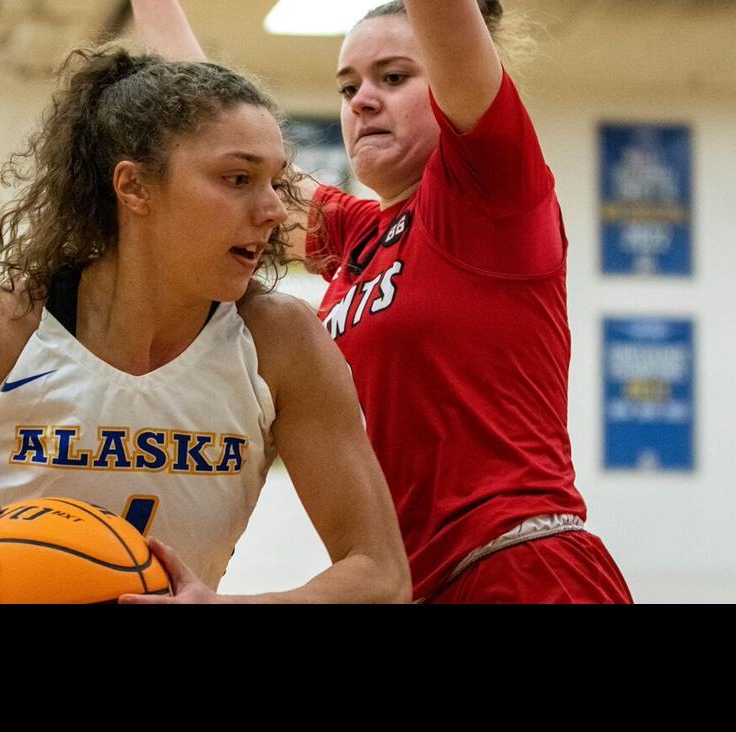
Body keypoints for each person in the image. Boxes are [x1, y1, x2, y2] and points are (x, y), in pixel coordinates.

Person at [0, 47, 410, 604]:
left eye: (274, 181)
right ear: (133, 187)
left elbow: (380, 574)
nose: (274, 209)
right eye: (238, 178)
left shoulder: (283, 344)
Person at [131, 0, 631, 603]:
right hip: (418, 587)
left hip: (521, 569)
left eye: (393, 78)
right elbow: (205, 123)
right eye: (348, 87)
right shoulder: (359, 237)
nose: (362, 100)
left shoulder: (491, 187)